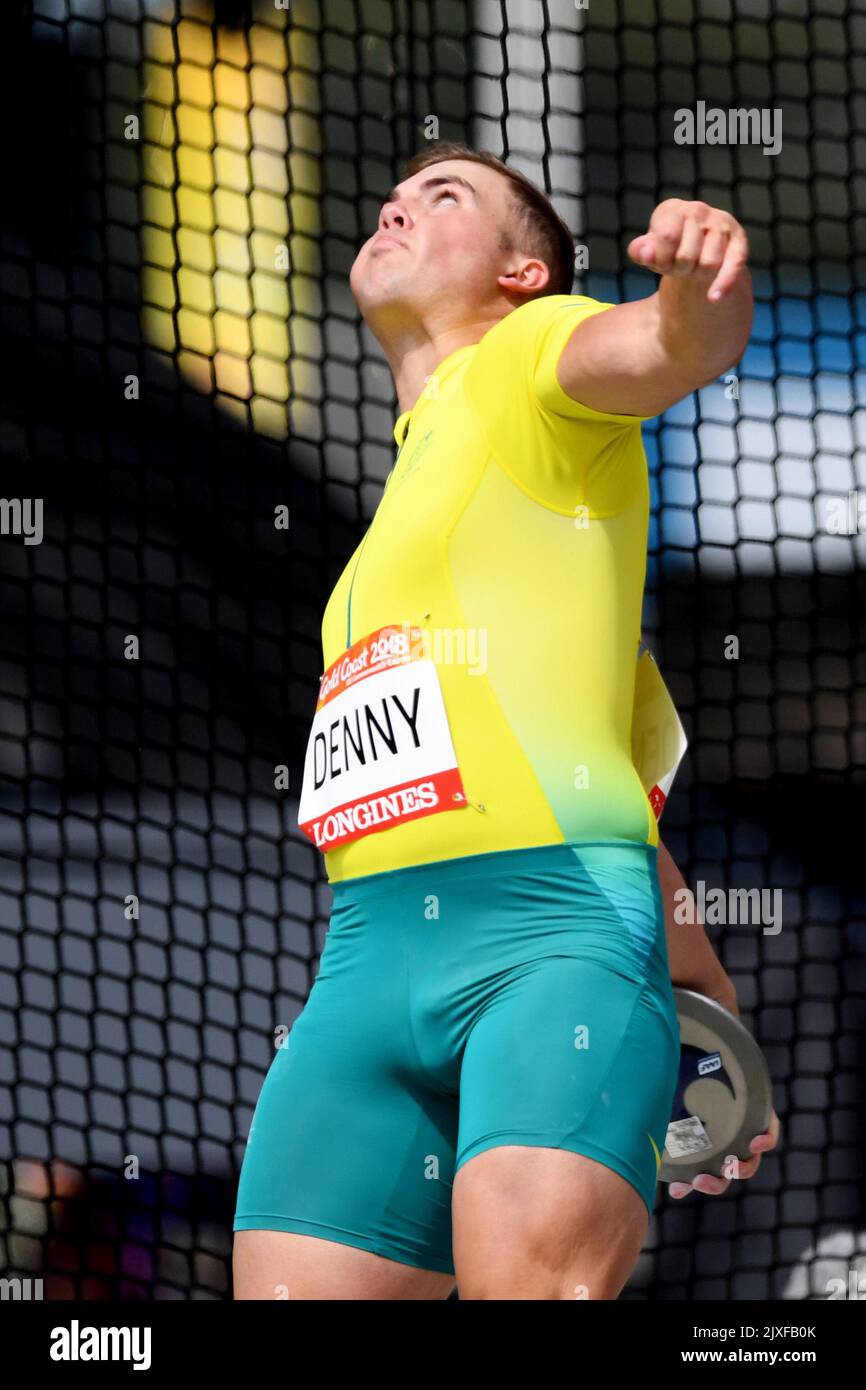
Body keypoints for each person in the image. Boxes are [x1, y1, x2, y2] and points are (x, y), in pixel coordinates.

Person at [233, 142, 779, 1300]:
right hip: (363, 975)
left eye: (445, 198)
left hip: (550, 957)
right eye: (393, 194)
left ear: (524, 276)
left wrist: (696, 284)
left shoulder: (531, 359)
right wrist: (711, 1004)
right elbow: (610, 794)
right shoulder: (389, 538)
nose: (397, 205)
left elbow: (669, 347)